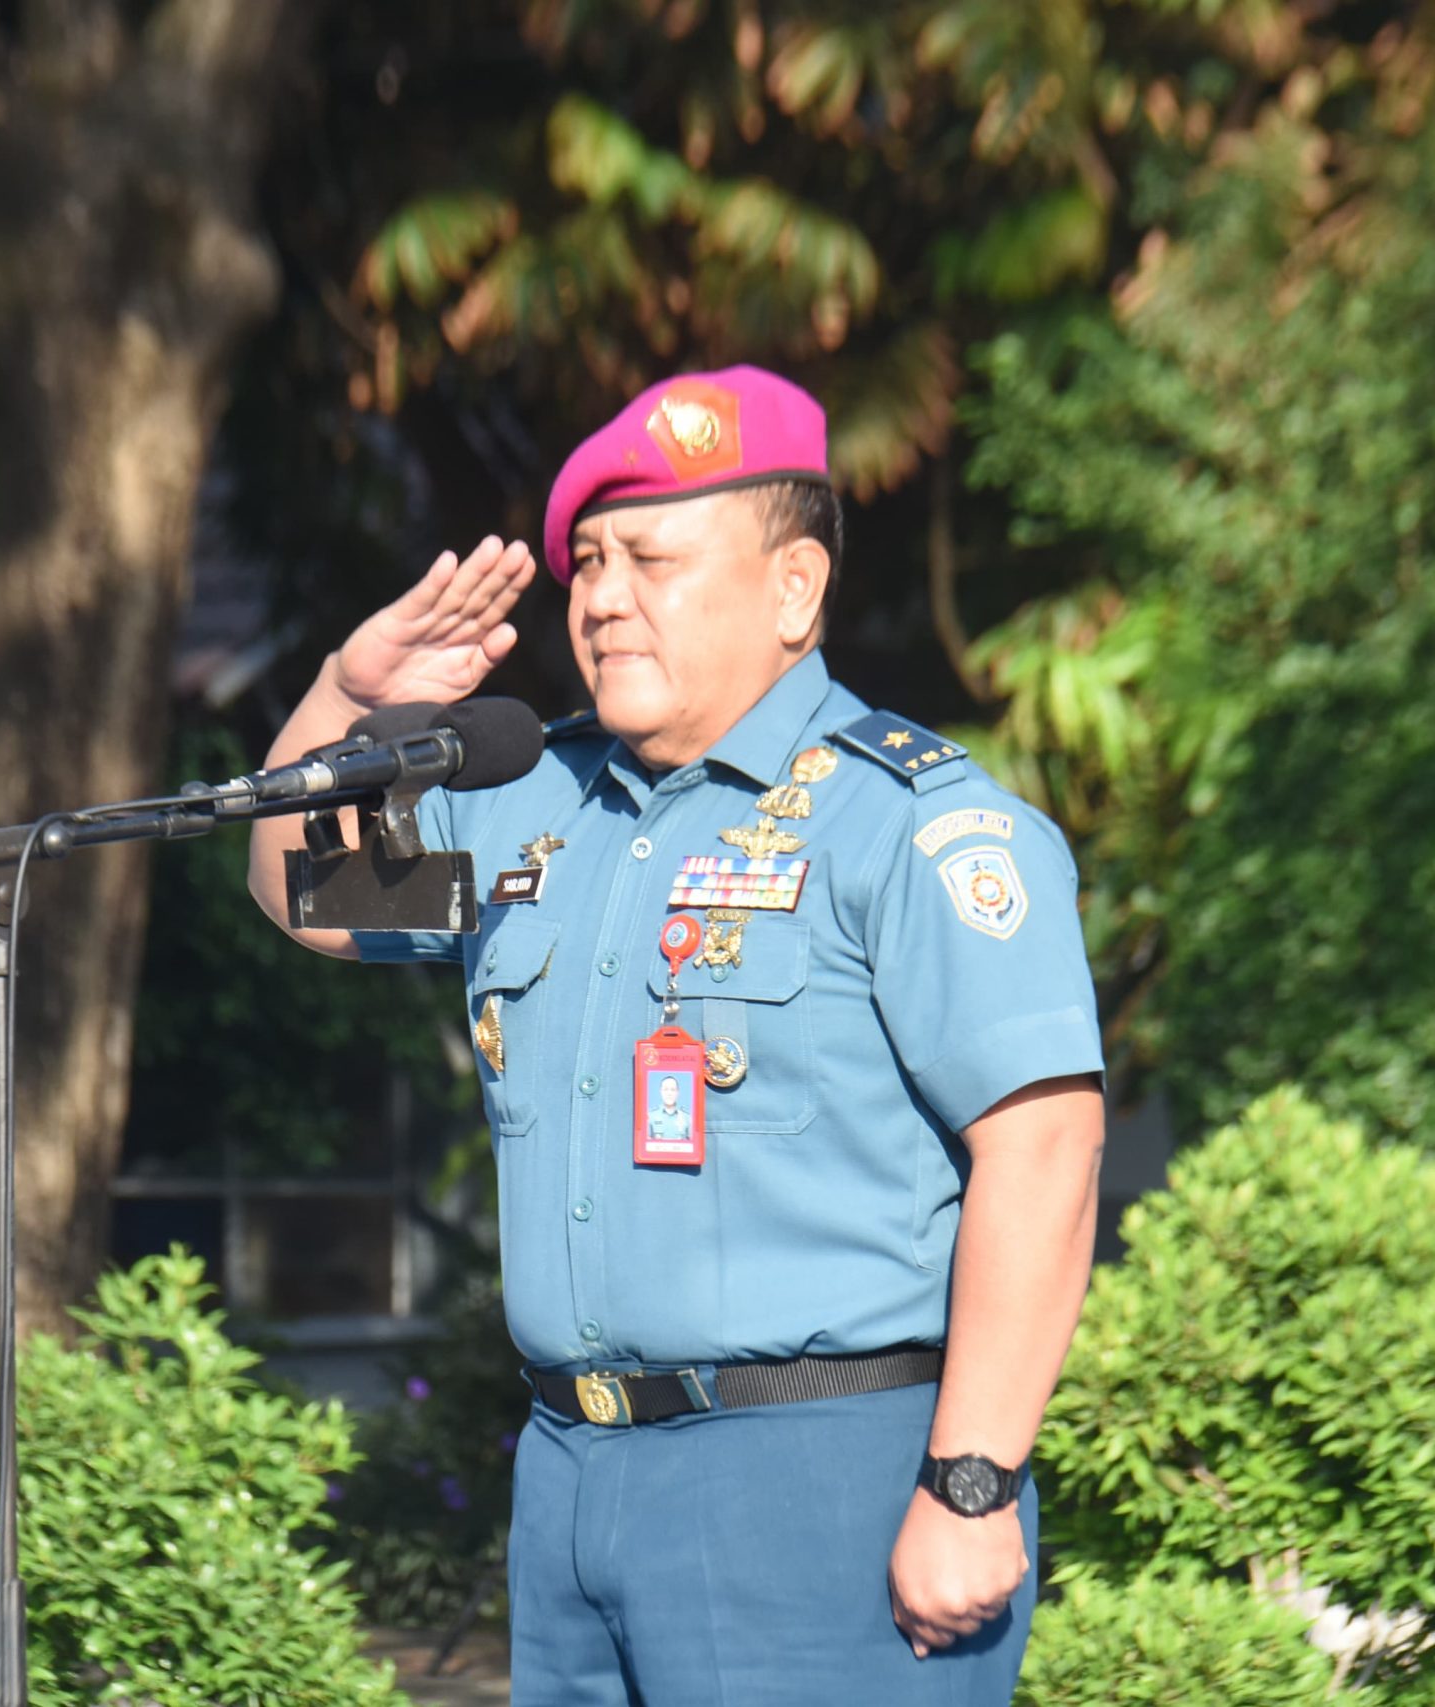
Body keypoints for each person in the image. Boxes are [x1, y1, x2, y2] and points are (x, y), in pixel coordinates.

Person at [247, 365, 1105, 1705]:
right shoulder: (540, 803)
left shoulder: (912, 824)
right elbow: (302, 888)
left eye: (651, 556)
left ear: (794, 589)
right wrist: (349, 697)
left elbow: (1047, 1148)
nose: (599, 595)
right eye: (587, 560)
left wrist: (973, 1477)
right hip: (574, 1475)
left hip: (822, 1477)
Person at [645, 1073, 690, 1145]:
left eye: (673, 1090)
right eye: (665, 1089)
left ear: (677, 1092)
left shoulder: (687, 1117)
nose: (669, 1093)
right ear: (661, 1091)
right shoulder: (650, 1116)